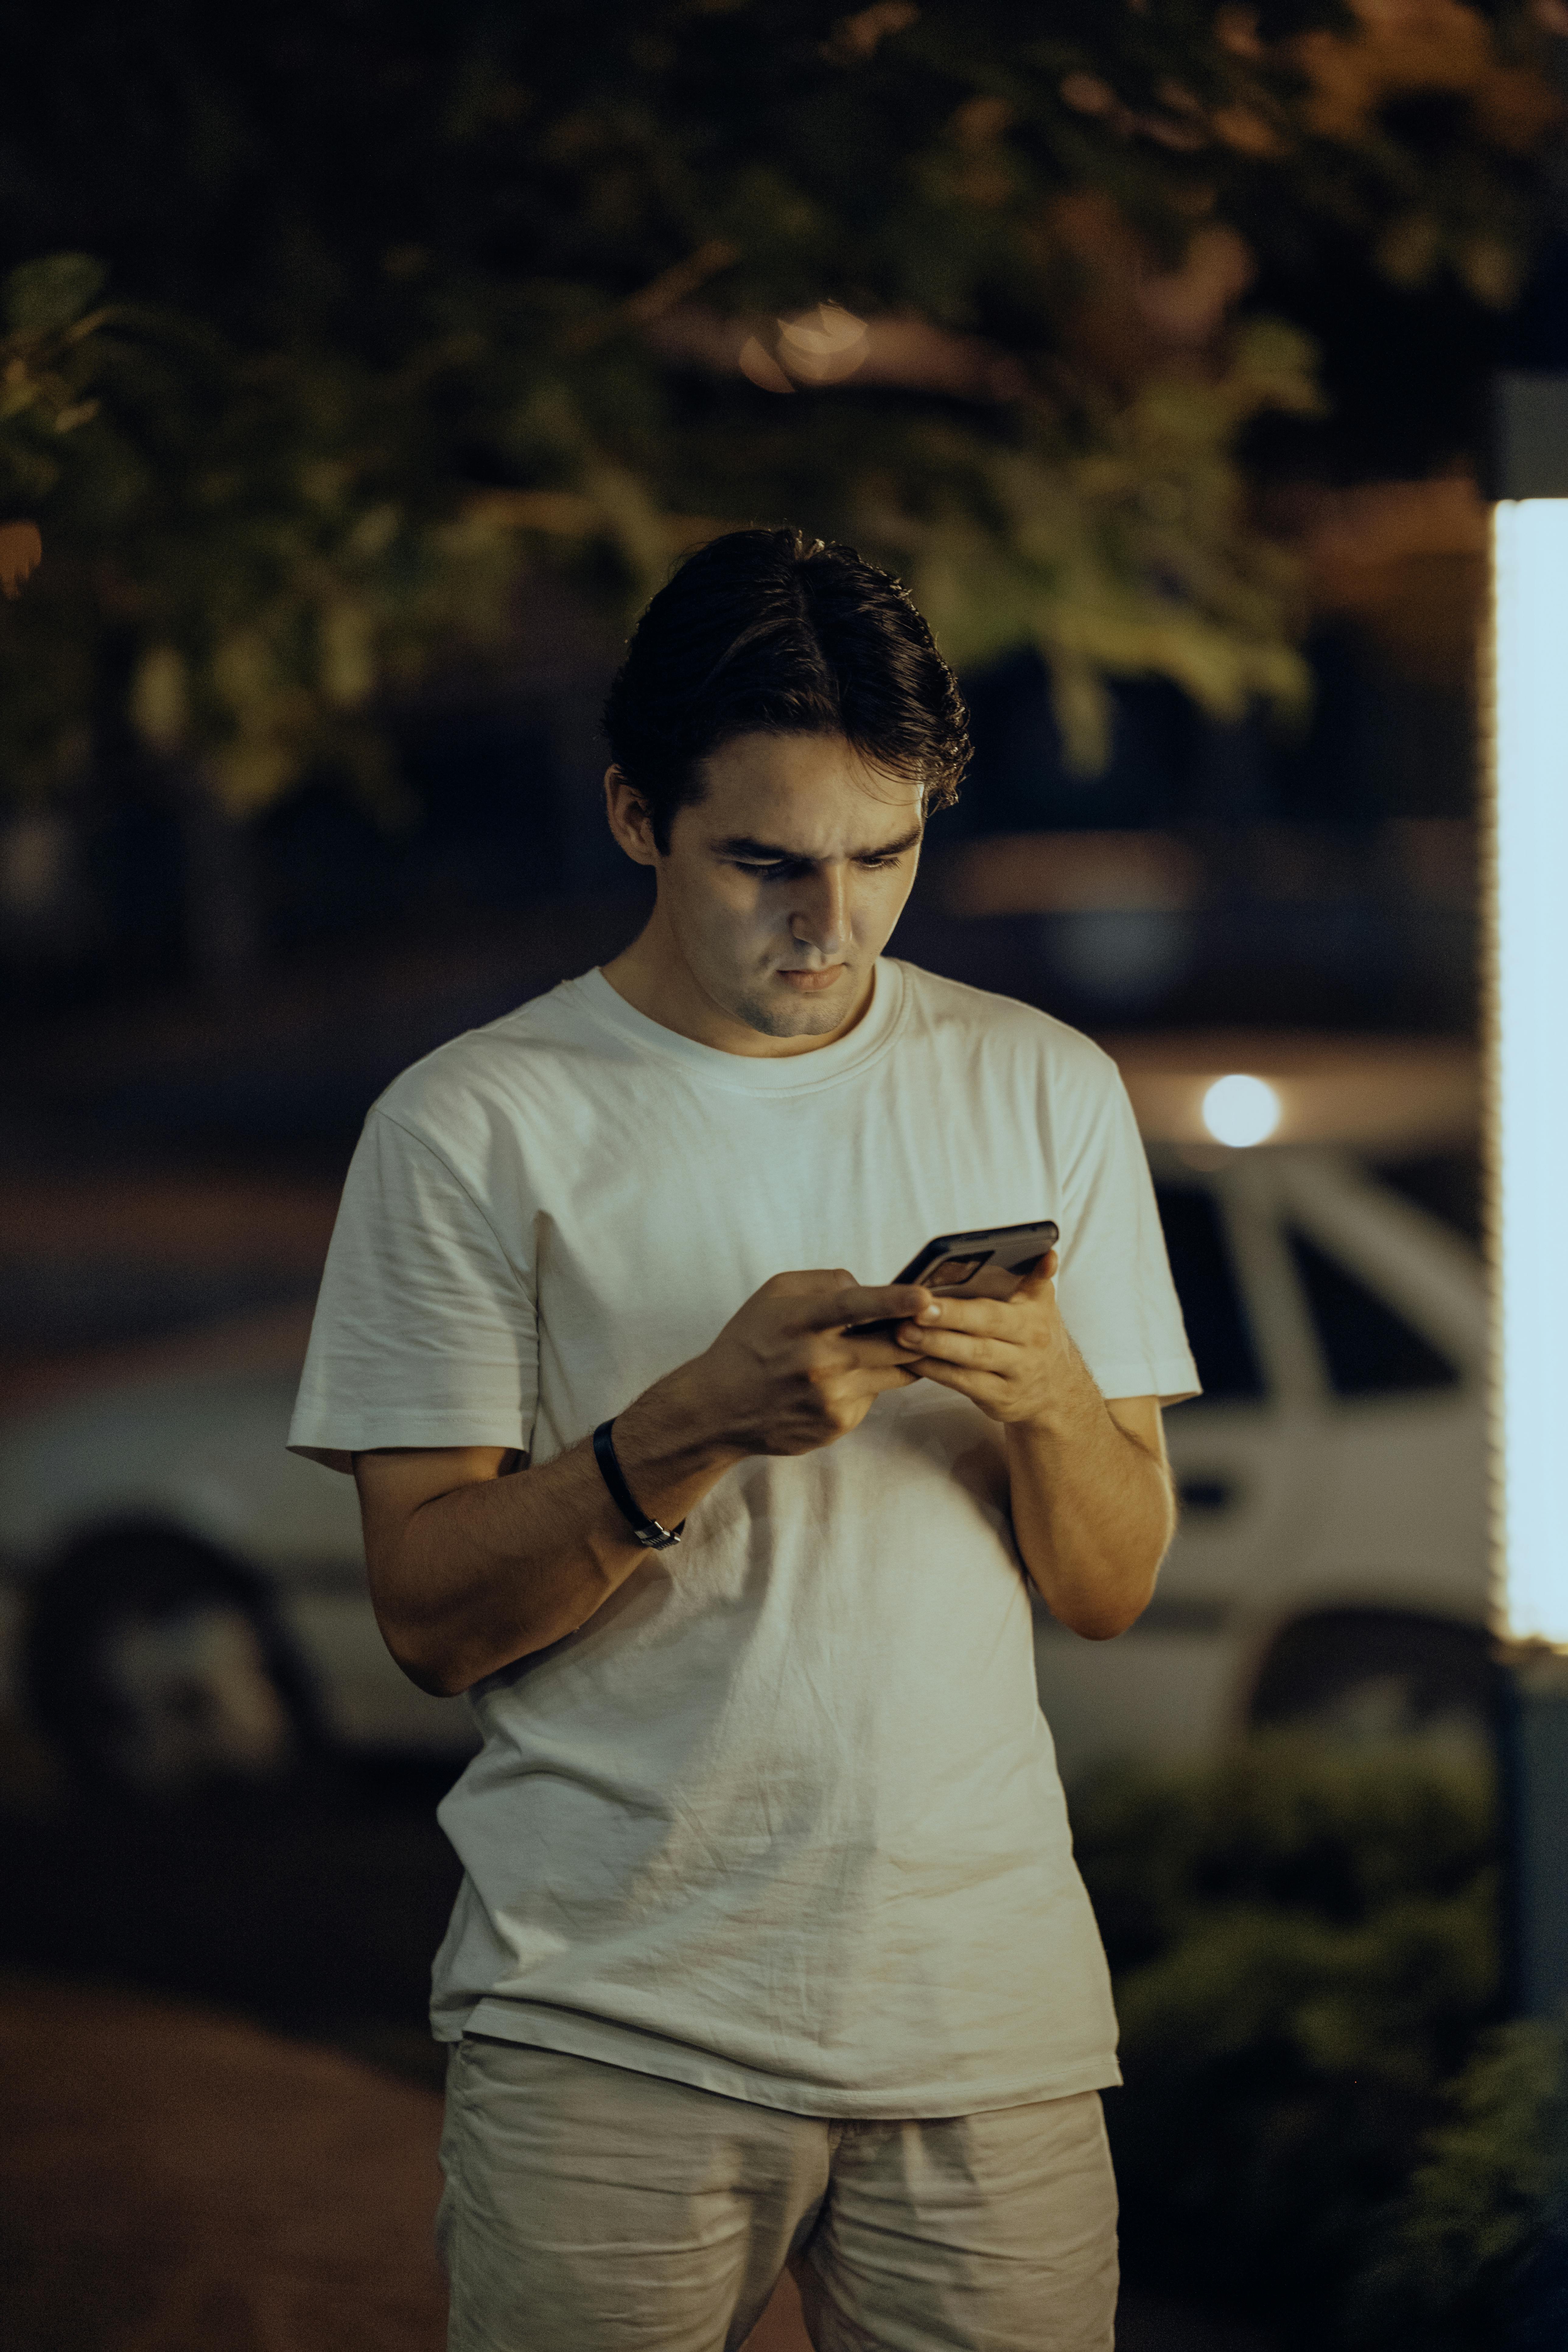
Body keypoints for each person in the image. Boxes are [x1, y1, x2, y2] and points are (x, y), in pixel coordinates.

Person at [288, 527, 1199, 2352]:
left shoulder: (1043, 1084)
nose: (834, 922)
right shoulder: (474, 1123)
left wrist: (1043, 1406)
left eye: (886, 854)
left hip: (989, 2021)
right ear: (636, 816)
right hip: (610, 2020)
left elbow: (1108, 1589)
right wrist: (687, 1429)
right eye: (767, 861)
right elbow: (427, 1618)